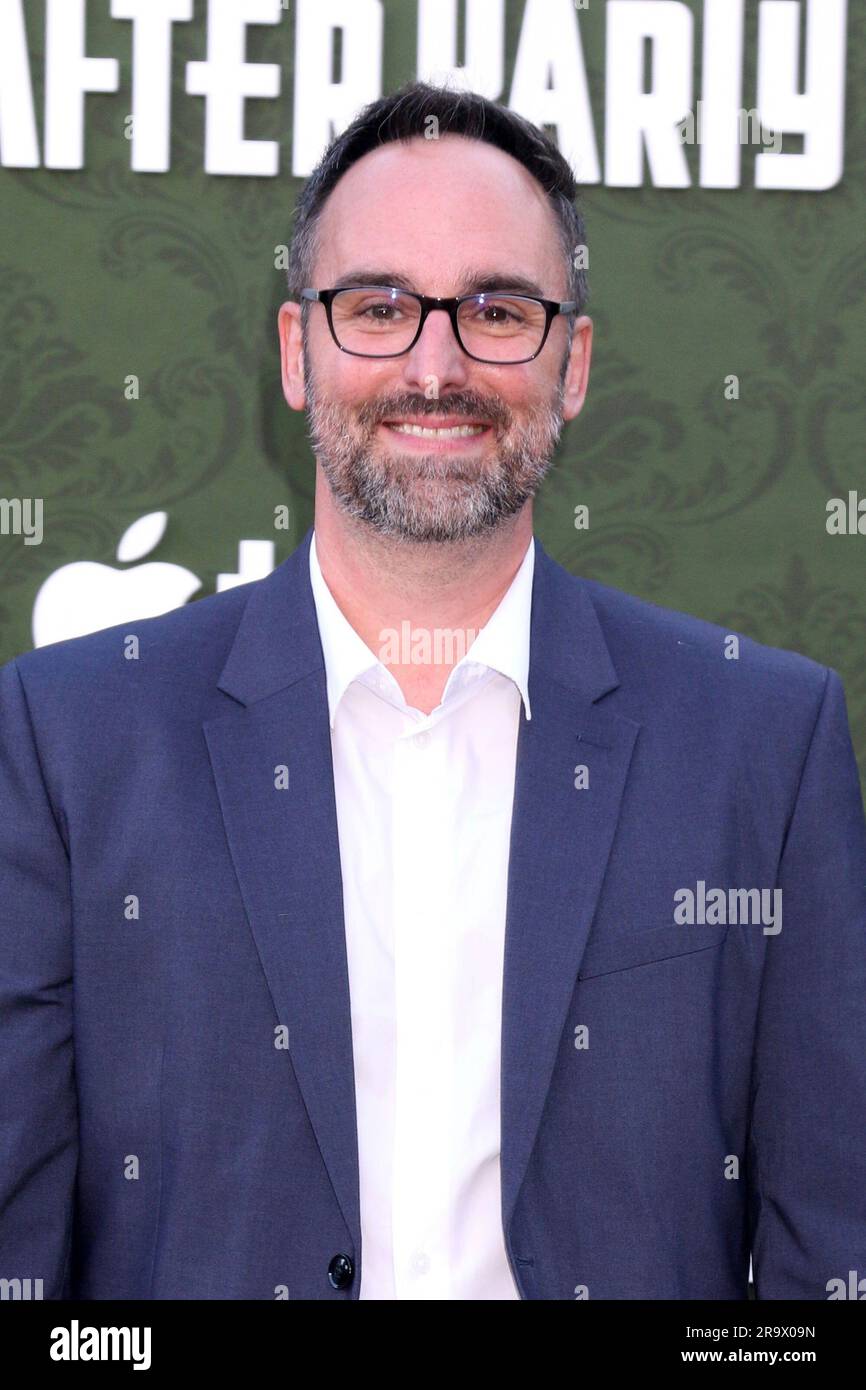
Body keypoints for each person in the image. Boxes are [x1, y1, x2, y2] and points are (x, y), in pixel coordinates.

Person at [1, 82, 865, 1302]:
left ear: (571, 363)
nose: (434, 364)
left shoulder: (761, 746)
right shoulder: (69, 742)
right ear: (298, 351)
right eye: (380, 306)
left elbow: (831, 1249)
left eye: (497, 310)